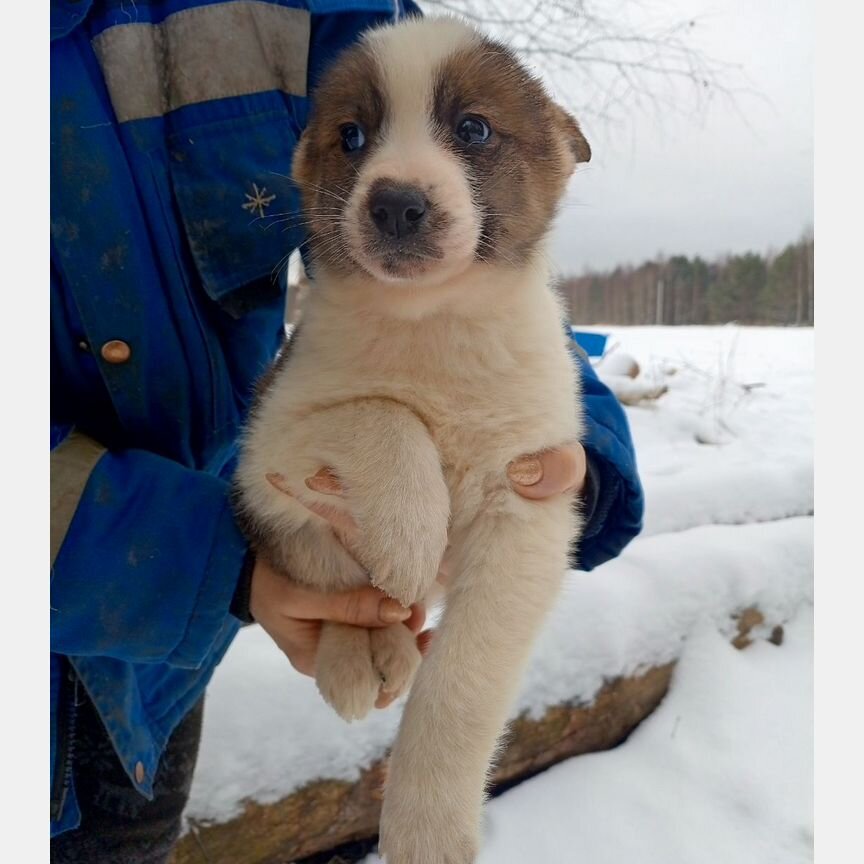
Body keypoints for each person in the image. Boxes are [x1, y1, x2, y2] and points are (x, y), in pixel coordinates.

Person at [49, 0, 644, 860]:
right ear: (308, 166)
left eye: (471, 132)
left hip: (151, 678)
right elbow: (274, 475)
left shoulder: (318, 15)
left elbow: (519, 539)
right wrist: (368, 462)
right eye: (355, 141)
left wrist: (586, 455)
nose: (399, 184)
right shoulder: (340, 331)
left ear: (556, 153)